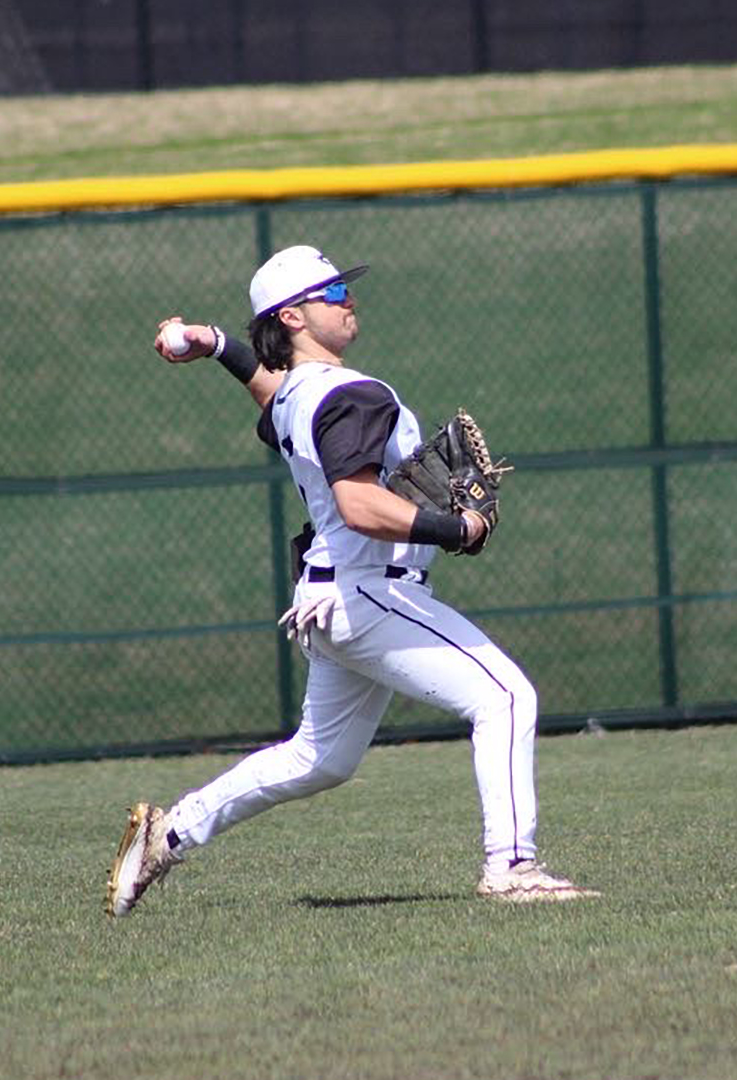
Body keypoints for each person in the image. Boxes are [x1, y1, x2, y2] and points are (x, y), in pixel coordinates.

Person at [105, 245, 594, 914]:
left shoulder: (299, 395)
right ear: (293, 317)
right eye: (332, 292)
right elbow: (359, 505)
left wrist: (213, 342)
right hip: (369, 592)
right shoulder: (350, 393)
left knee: (320, 758)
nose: (348, 299)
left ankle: (170, 834)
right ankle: (511, 866)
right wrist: (459, 529)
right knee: (505, 697)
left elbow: (269, 390)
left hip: (331, 595)